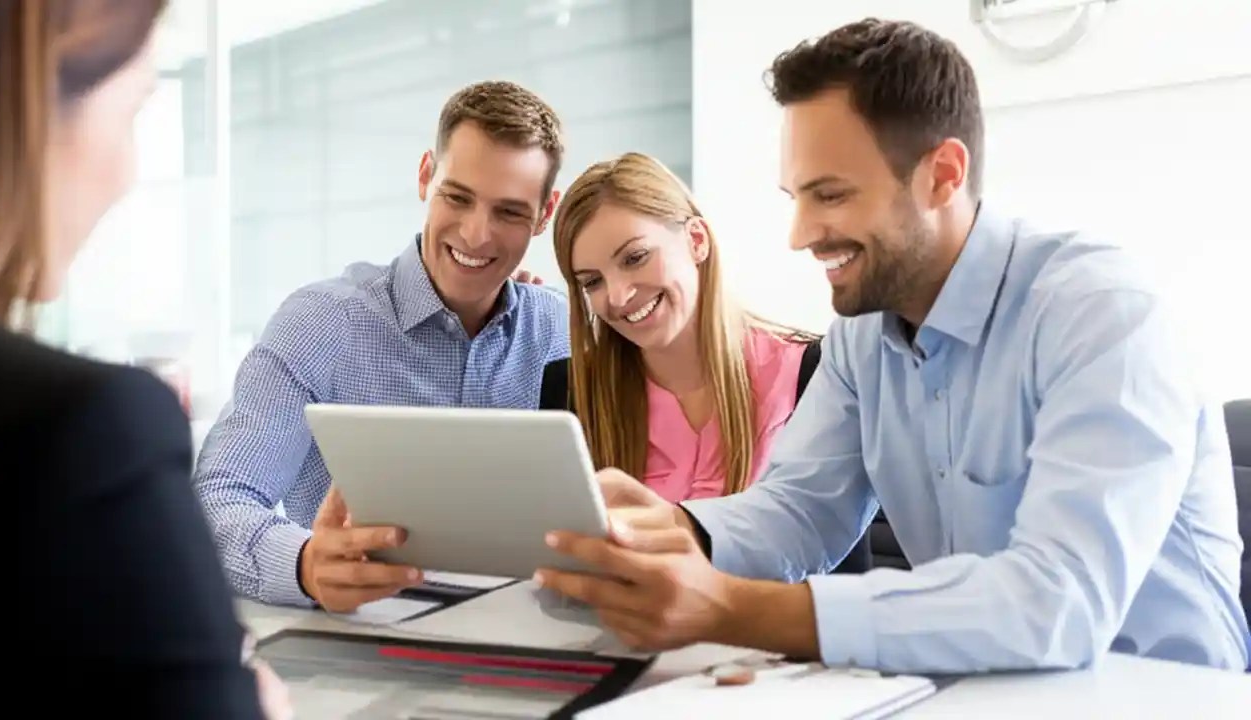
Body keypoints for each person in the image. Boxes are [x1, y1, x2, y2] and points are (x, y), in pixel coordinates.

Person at [534, 18, 1250, 674]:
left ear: (942, 174)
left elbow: (1056, 600)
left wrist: (730, 607)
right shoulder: (862, 333)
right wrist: (676, 528)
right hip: (983, 688)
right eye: (796, 198)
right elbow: (804, 508)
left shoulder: (1101, 314)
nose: (801, 233)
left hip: (1161, 695)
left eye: (832, 195)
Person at [0, 1, 288, 717]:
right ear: (32, 96)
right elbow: (228, 498)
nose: (128, 173)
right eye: (137, 109)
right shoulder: (84, 432)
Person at [194, 80, 572, 613]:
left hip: (539, 639)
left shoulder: (564, 331)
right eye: (457, 197)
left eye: (509, 212)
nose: (476, 234)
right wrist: (304, 564)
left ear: (544, 213)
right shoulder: (321, 324)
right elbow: (215, 502)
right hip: (361, 637)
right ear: (425, 177)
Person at [539, 152, 871, 573]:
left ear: (697, 240)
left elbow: (840, 572)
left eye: (635, 257)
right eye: (592, 281)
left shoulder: (817, 372)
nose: (618, 296)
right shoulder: (568, 389)